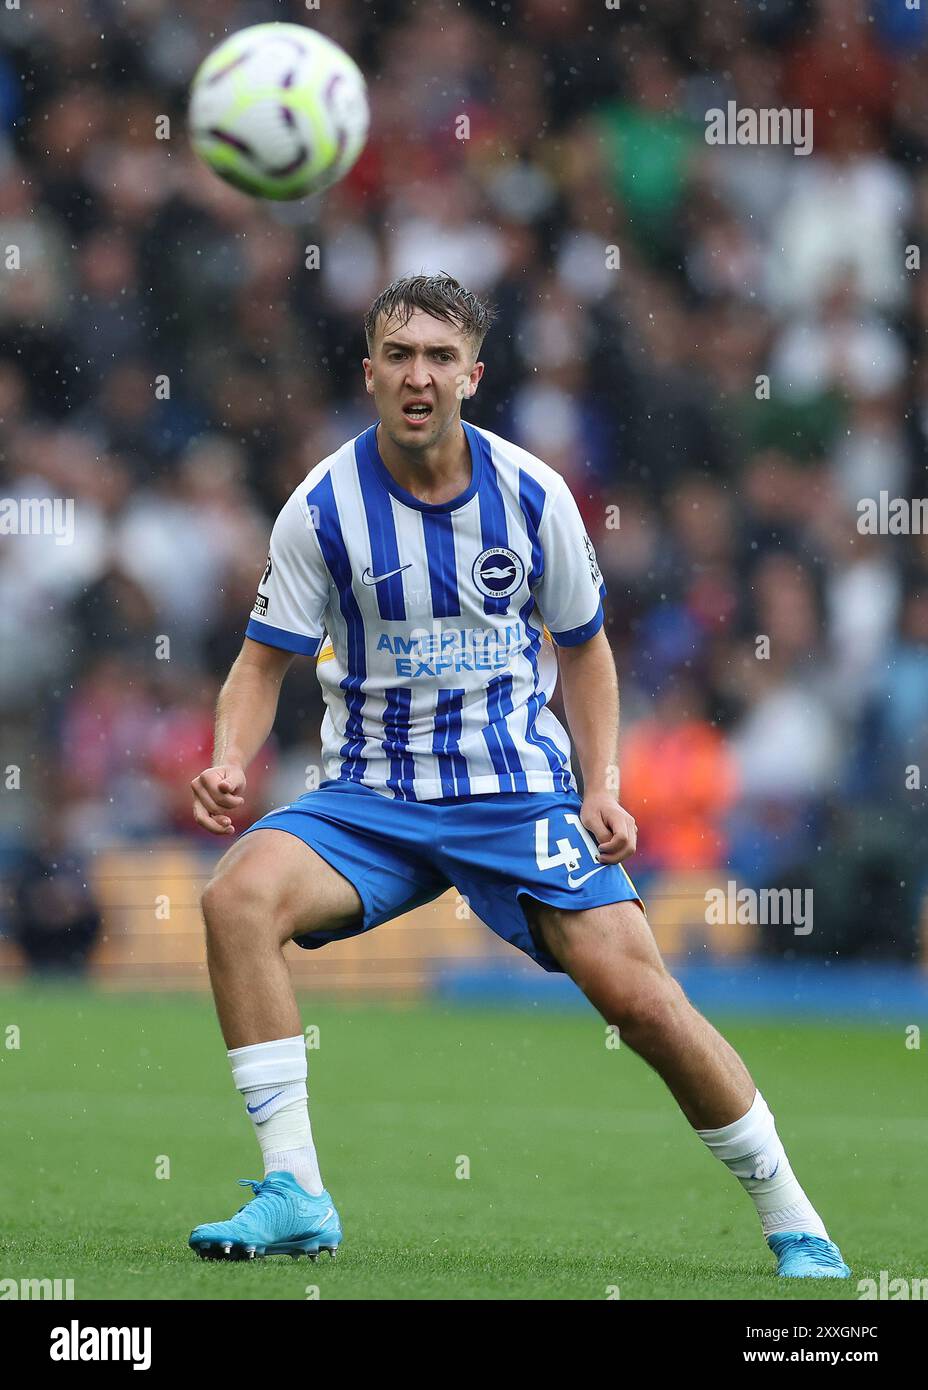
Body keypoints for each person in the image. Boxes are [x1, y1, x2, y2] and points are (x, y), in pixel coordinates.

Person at [187, 274, 848, 1278]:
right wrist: (230, 755)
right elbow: (259, 662)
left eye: (440, 356)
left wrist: (602, 782)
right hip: (371, 799)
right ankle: (296, 1192)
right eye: (399, 354)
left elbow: (584, 649)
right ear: (368, 372)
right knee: (236, 898)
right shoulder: (319, 506)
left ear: (473, 375)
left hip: (514, 797)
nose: (419, 375)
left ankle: (795, 1217)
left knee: (643, 1004)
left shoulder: (533, 495)